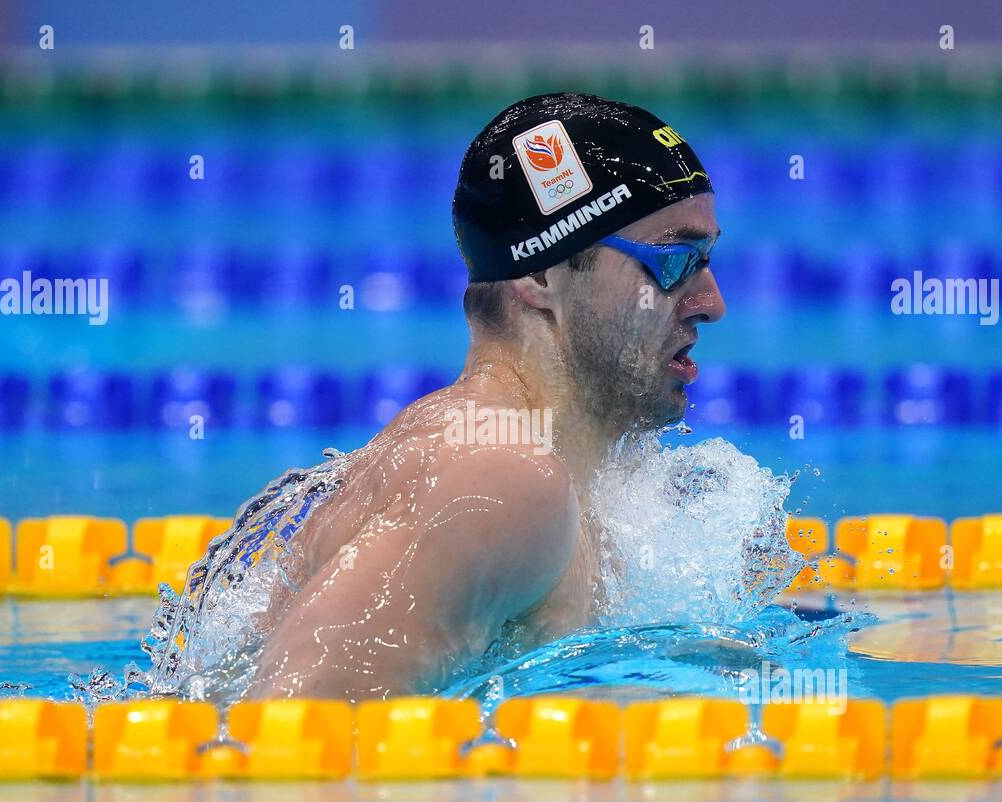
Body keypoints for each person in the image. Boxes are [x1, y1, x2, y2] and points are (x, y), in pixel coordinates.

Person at [247, 92, 726, 700]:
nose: (712, 303)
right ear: (541, 277)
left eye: (707, 260)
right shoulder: (494, 476)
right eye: (674, 261)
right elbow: (286, 740)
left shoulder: (556, 479)